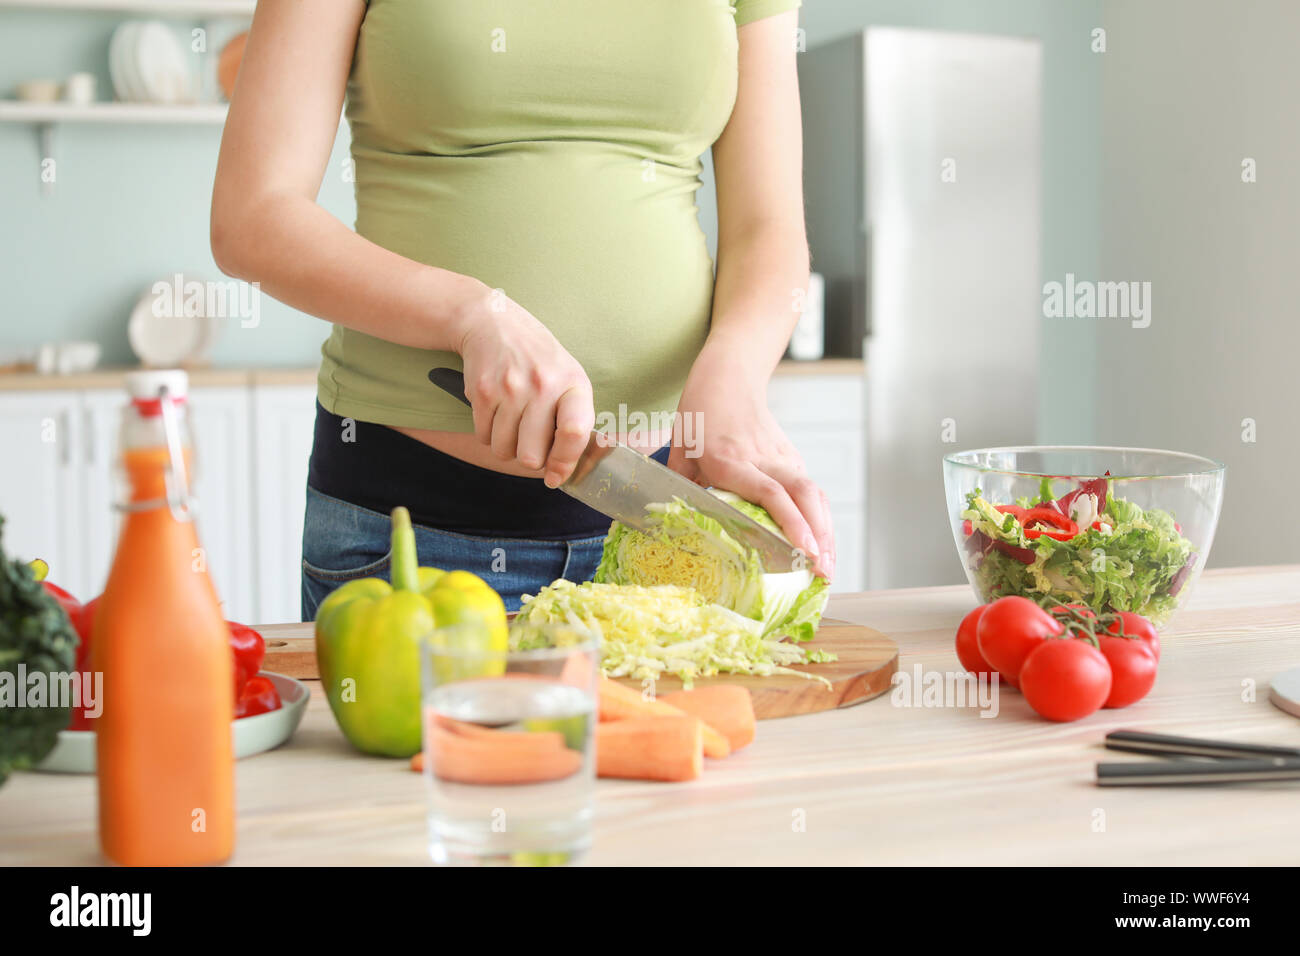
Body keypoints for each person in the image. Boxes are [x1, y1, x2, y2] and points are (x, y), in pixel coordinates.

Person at [210, 0, 833, 618]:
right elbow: (252, 217)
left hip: (669, 535)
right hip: (415, 541)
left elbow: (768, 225)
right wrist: (474, 315)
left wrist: (735, 377)